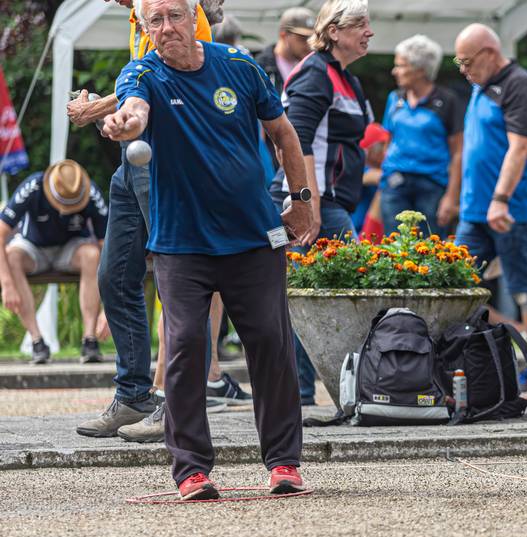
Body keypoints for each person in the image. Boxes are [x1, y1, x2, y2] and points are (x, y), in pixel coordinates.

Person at [104, 0, 315, 499]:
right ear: (144, 26)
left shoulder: (239, 66)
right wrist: (123, 124)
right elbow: (135, 112)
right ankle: (191, 470)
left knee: (271, 343)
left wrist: (302, 200)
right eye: (154, 20)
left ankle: (284, 462)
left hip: (254, 235)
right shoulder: (141, 73)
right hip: (182, 243)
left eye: (174, 15)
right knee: (184, 350)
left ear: (193, 17)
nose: (166, 27)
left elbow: (283, 132)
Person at [67, 0, 243, 442]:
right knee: (114, 277)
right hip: (132, 162)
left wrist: (104, 109)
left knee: (182, 280)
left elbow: (180, 72)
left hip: (168, 157)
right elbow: (143, 75)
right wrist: (108, 107)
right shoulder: (139, 15)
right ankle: (134, 396)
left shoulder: (175, 10)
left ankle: (182, 405)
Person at [269, 0, 373, 406]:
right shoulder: (314, 73)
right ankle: (301, 392)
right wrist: (305, 204)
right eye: (361, 24)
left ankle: (322, 390)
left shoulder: (347, 78)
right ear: (334, 31)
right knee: (314, 292)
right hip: (313, 204)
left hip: (333, 203)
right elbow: (295, 142)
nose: (369, 31)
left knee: (317, 293)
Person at [453, 23, 527, 344]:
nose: (463, 70)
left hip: (512, 210)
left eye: (467, 62)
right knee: (455, 285)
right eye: (459, 63)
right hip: (474, 211)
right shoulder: (479, 85)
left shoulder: (519, 84)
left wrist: (501, 198)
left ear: (491, 53)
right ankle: (511, 337)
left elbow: (520, 147)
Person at [0, 160, 107, 364]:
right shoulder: (33, 186)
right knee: (12, 255)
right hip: (33, 248)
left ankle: (90, 340)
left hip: (72, 248)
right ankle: (37, 341)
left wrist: (111, 302)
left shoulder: (90, 191)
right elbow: (1, 232)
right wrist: (7, 285)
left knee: (93, 255)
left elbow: (106, 245)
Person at [380, 34, 464, 239]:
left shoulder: (447, 101)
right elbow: (387, 142)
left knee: (429, 250)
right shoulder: (395, 98)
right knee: (394, 248)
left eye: (400, 65)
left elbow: (458, 153)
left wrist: (451, 198)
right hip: (395, 184)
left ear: (420, 70)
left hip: (432, 186)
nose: (395, 71)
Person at [254, 7, 315, 96]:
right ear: (283, 35)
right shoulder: (260, 68)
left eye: (311, 39)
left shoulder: (311, 66)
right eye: (303, 39)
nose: (309, 44)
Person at [352, 122, 389, 232]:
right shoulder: (359, 169)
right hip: (358, 233)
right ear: (370, 150)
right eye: (382, 145)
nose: (387, 151)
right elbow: (373, 177)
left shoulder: (380, 169)